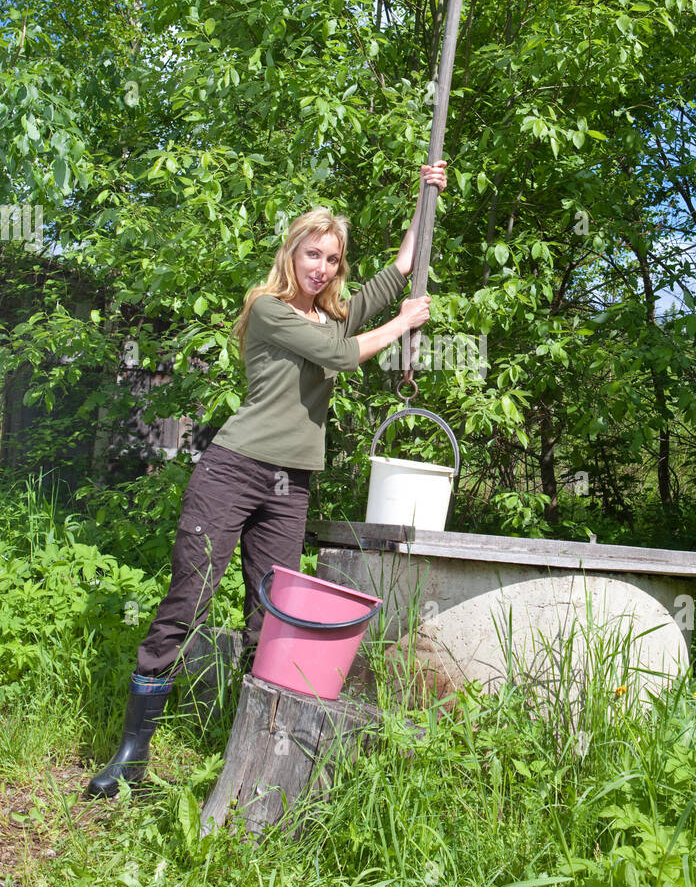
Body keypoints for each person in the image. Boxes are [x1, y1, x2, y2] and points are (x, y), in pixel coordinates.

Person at [86, 160, 447, 797]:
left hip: (291, 486)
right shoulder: (270, 309)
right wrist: (400, 326)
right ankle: (130, 757)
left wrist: (427, 194)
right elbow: (342, 355)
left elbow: (398, 272)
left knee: (270, 616)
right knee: (188, 602)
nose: (323, 268)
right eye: (314, 254)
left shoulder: (332, 314)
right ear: (294, 253)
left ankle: (249, 758)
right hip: (233, 470)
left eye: (333, 260)